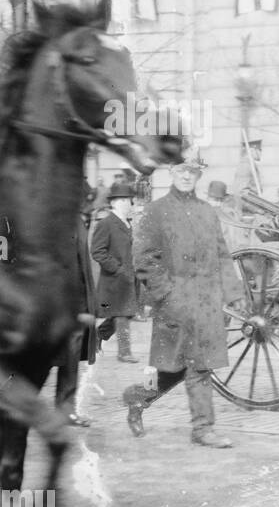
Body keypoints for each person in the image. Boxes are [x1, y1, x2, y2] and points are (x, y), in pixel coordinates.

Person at [121, 159, 243, 448]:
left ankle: (199, 428)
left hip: (206, 303)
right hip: (174, 303)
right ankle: (143, 402)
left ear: (199, 175)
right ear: (172, 173)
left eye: (193, 172)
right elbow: (144, 258)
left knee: (197, 366)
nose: (187, 177)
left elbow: (223, 254)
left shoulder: (207, 213)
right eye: (181, 172)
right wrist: (167, 294)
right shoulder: (156, 211)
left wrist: (233, 296)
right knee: (181, 367)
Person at [91, 182, 140, 363]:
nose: (129, 204)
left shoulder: (126, 223)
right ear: (115, 203)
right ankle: (124, 353)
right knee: (121, 314)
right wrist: (118, 269)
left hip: (128, 277)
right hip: (114, 278)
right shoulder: (106, 223)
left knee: (126, 313)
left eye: (129, 200)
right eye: (126, 200)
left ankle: (96, 337)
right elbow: (97, 251)